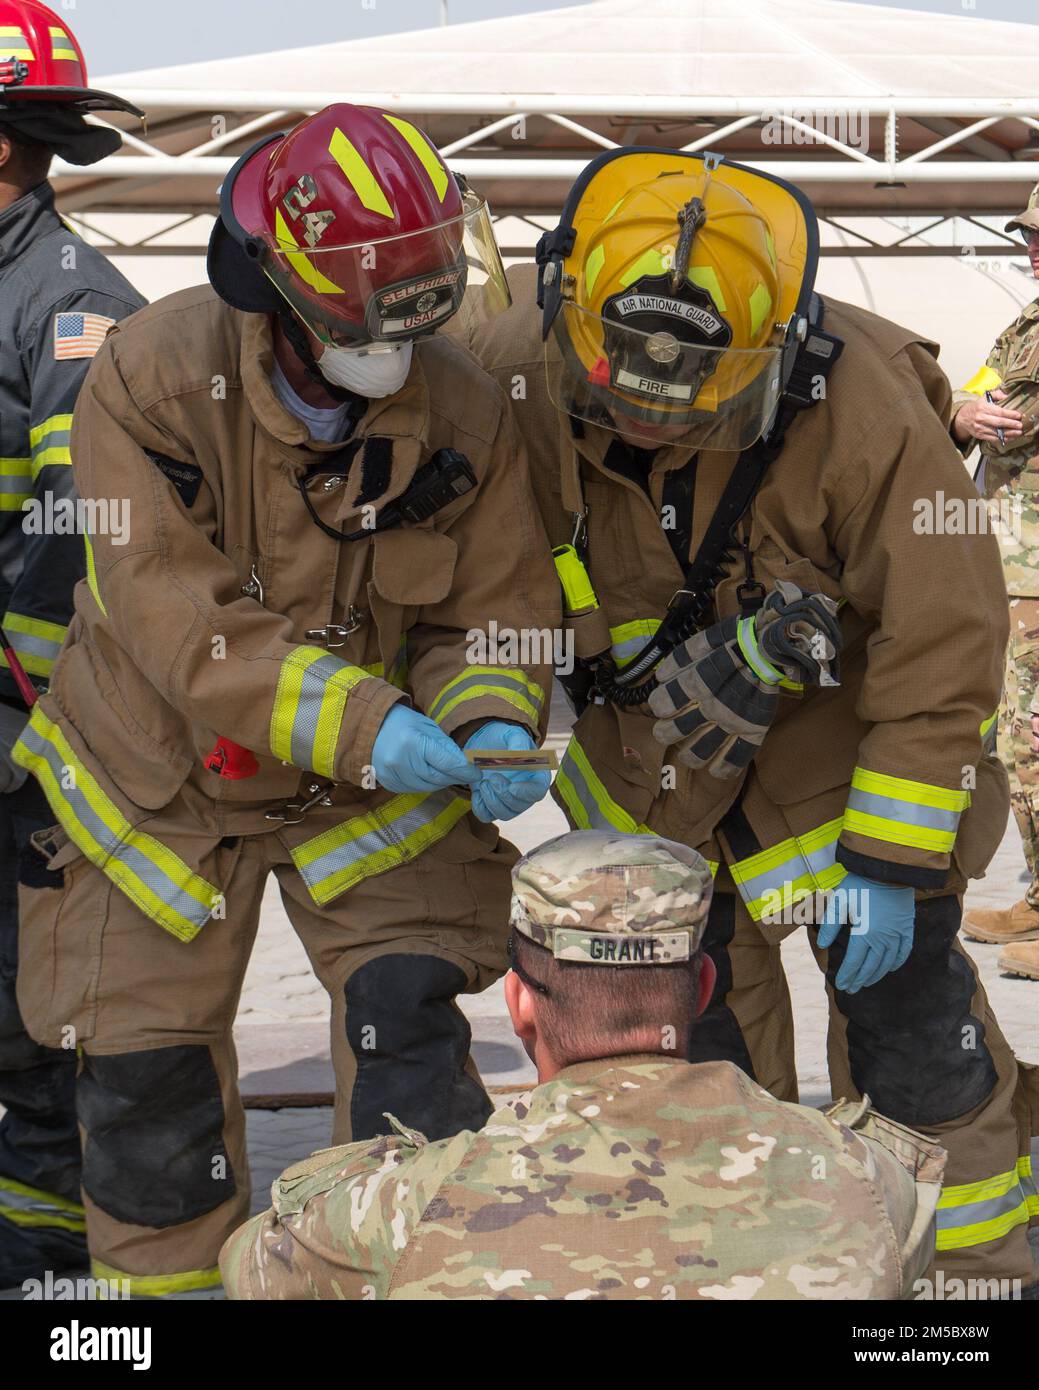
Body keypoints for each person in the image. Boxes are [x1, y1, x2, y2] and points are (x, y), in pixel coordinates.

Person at [463, 147, 1039, 1290]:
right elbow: (470, 575)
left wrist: (888, 859)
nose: (641, 421)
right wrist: (487, 706)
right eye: (616, 394)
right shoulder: (510, 358)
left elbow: (945, 637)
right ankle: (747, 1265)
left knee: (916, 1045)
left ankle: (970, 1287)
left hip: (846, 768)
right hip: (651, 780)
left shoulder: (865, 396)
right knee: (697, 1065)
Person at [11, 102, 559, 1297]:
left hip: (364, 802)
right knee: (149, 1105)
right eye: (379, 308)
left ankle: (399, 1283)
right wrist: (374, 725)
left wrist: (490, 716)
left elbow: (496, 602)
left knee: (408, 1040)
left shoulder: (465, 406)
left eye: (426, 298)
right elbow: (173, 614)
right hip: (153, 786)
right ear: (278, 286)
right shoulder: (147, 378)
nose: (406, 340)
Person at [220, 830, 946, 1301]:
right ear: (698, 990)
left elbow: (248, 1270)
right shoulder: (866, 1174)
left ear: (517, 1003)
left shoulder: (398, 1207)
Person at [0, 0, 145, 1285]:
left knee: (25, 1033)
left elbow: (80, 526)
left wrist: (27, 694)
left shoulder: (71, 305)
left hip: (24, 736)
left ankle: (43, 1284)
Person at [955, 182, 1039, 984]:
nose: (1032, 246)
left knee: (1027, 741)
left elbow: (998, 416)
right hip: (1014, 562)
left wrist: (952, 407)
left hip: (1033, 572)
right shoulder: (1027, 323)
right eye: (1027, 232)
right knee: (1013, 739)